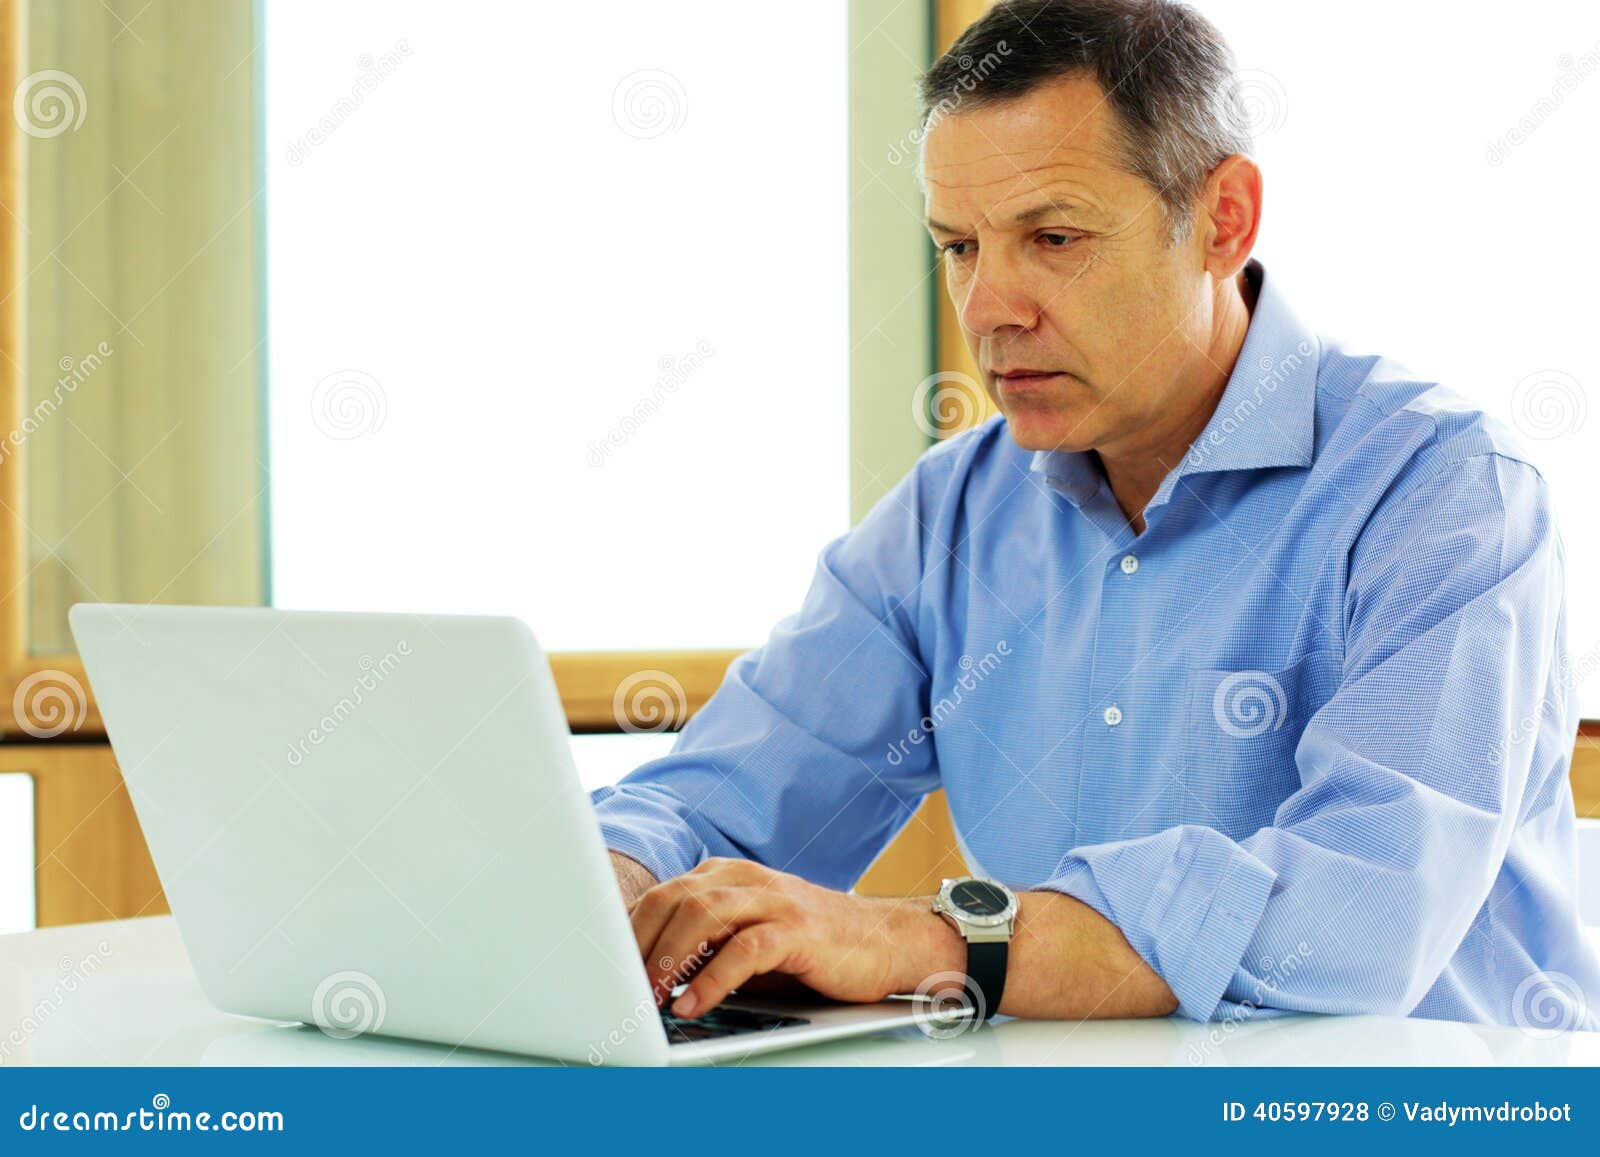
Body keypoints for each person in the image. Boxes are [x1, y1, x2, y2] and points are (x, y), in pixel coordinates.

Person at [591, 0, 1600, 1032]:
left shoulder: (1443, 492)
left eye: (1053, 237)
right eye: (959, 246)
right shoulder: (952, 512)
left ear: (1224, 221)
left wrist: (929, 939)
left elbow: (1356, 917)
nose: (986, 306)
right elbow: (719, 798)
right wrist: (600, 891)